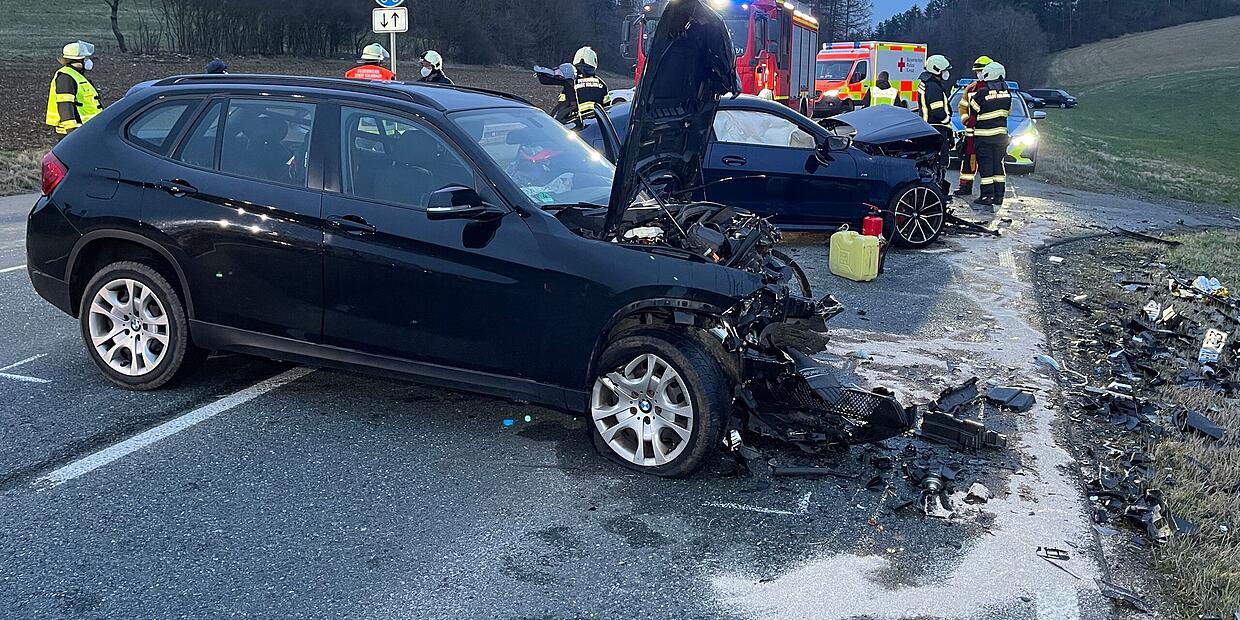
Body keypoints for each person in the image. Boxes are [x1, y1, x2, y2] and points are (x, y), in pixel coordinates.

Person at [969, 62, 1012, 206]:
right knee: (998, 166)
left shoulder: (982, 92)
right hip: (1001, 137)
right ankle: (999, 196)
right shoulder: (1007, 93)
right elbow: (1008, 112)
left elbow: (973, 110)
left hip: (984, 137)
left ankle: (987, 196)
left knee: (986, 167)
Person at [954, 55, 993, 197]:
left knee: (986, 163)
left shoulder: (995, 88)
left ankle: (988, 193)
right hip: (971, 133)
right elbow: (962, 106)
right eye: (977, 72)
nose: (979, 74)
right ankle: (965, 187)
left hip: (986, 134)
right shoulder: (971, 88)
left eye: (981, 71)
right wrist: (966, 120)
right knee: (968, 160)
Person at [45, 41, 101, 137]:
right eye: (85, 58)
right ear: (78, 61)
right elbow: (65, 106)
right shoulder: (66, 77)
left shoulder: (76, 75)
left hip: (84, 129)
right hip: (73, 133)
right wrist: (72, 132)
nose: (88, 61)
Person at [917, 54, 953, 170]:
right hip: (937, 130)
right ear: (937, 70)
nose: (946, 73)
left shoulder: (927, 83)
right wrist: (947, 119)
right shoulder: (933, 87)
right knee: (939, 164)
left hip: (929, 129)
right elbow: (938, 111)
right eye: (944, 70)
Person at [569, 46, 609, 119]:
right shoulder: (602, 85)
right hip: (596, 123)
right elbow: (608, 107)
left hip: (573, 124)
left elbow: (561, 105)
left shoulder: (570, 83)